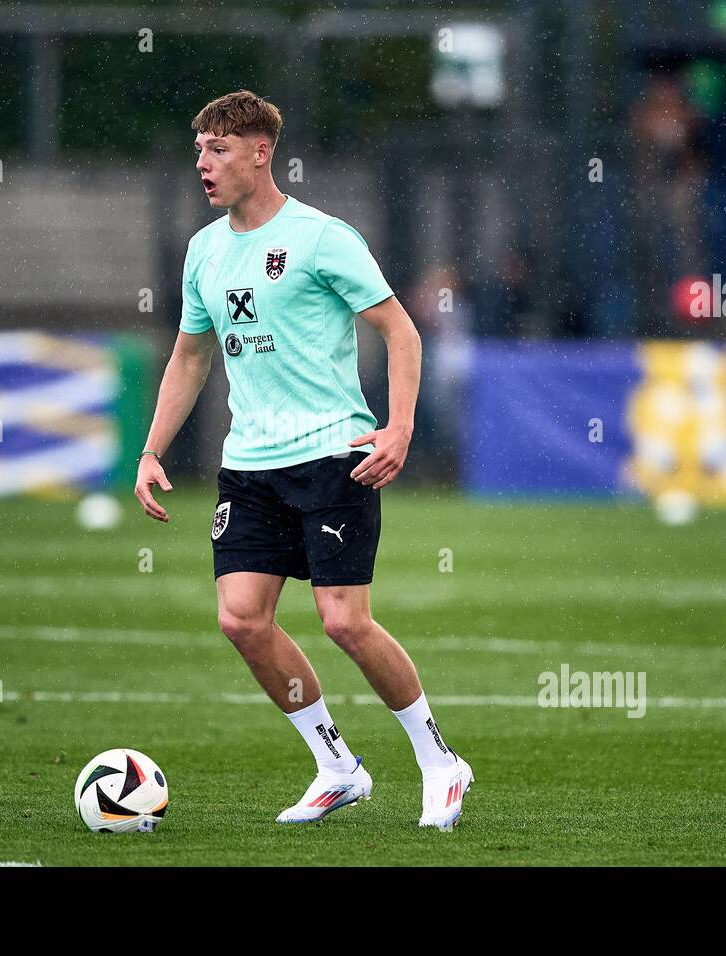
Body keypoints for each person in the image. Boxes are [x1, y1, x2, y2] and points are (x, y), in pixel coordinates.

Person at [133, 90, 473, 830]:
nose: (204, 163)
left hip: (331, 456)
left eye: (218, 149)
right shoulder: (204, 250)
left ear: (261, 152)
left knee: (344, 621)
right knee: (242, 619)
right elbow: (191, 357)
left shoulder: (323, 238)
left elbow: (402, 333)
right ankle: (336, 766)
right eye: (199, 150)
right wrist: (152, 449)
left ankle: (439, 758)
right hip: (249, 464)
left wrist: (399, 428)